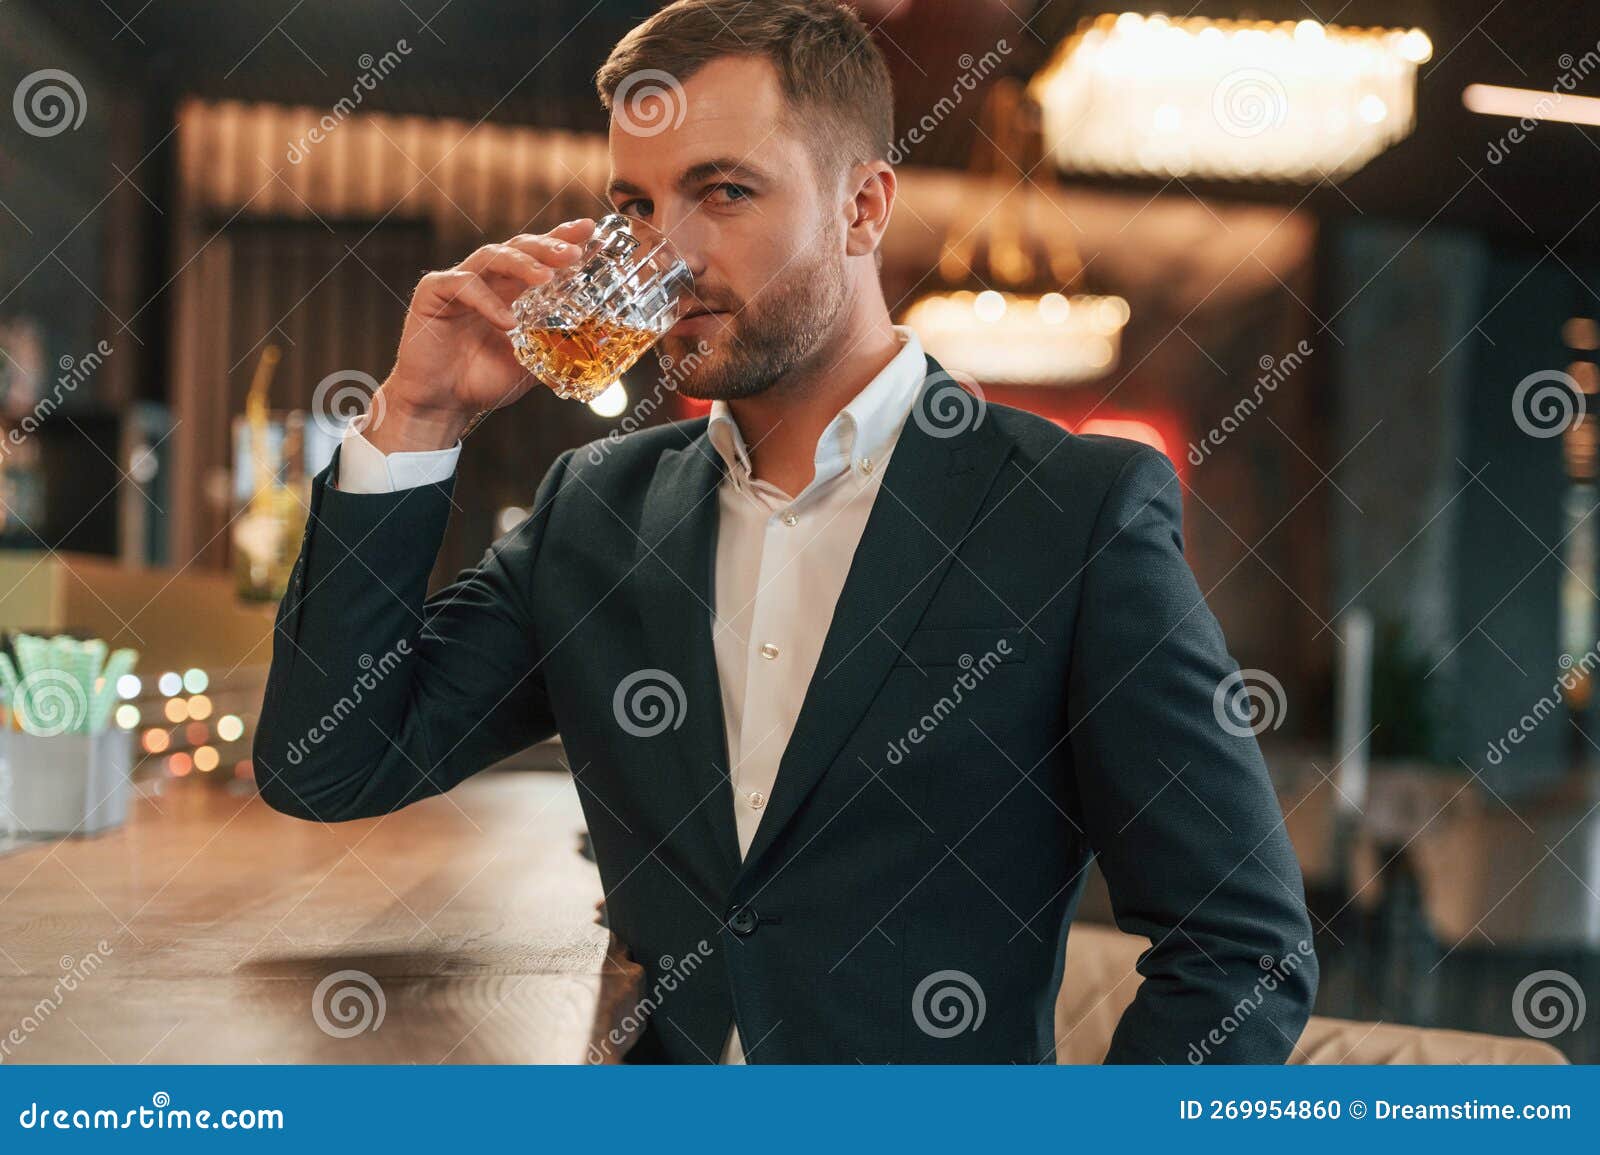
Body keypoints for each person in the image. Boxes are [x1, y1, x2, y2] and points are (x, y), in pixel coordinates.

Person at [254, 0, 1317, 1064]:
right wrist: (418, 415)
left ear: (862, 207)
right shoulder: (596, 507)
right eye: (634, 204)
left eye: (721, 191)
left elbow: (1238, 947)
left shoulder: (1074, 514)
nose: (662, 250)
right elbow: (328, 764)